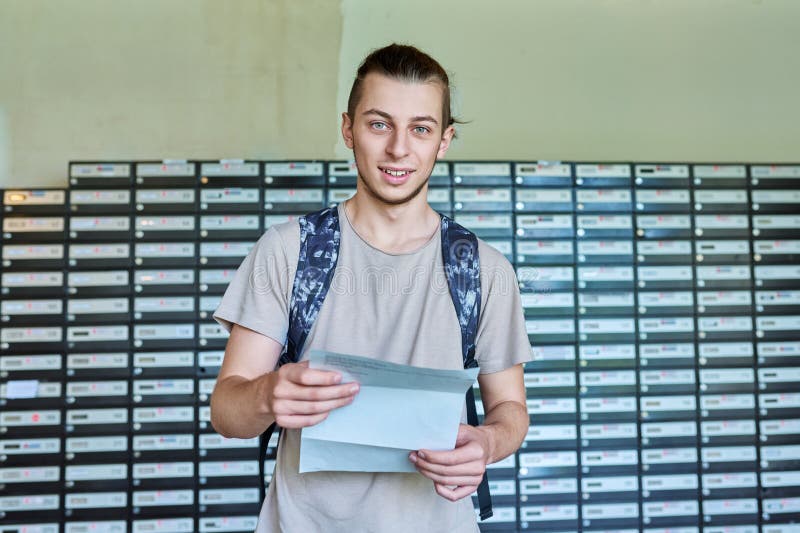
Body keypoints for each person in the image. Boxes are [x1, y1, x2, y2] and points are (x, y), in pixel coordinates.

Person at [210, 43, 531, 532]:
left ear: (442, 141)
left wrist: (488, 443)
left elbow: (509, 408)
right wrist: (266, 395)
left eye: (420, 129)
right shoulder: (288, 251)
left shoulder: (483, 269)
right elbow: (226, 412)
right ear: (348, 129)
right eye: (379, 123)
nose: (399, 149)